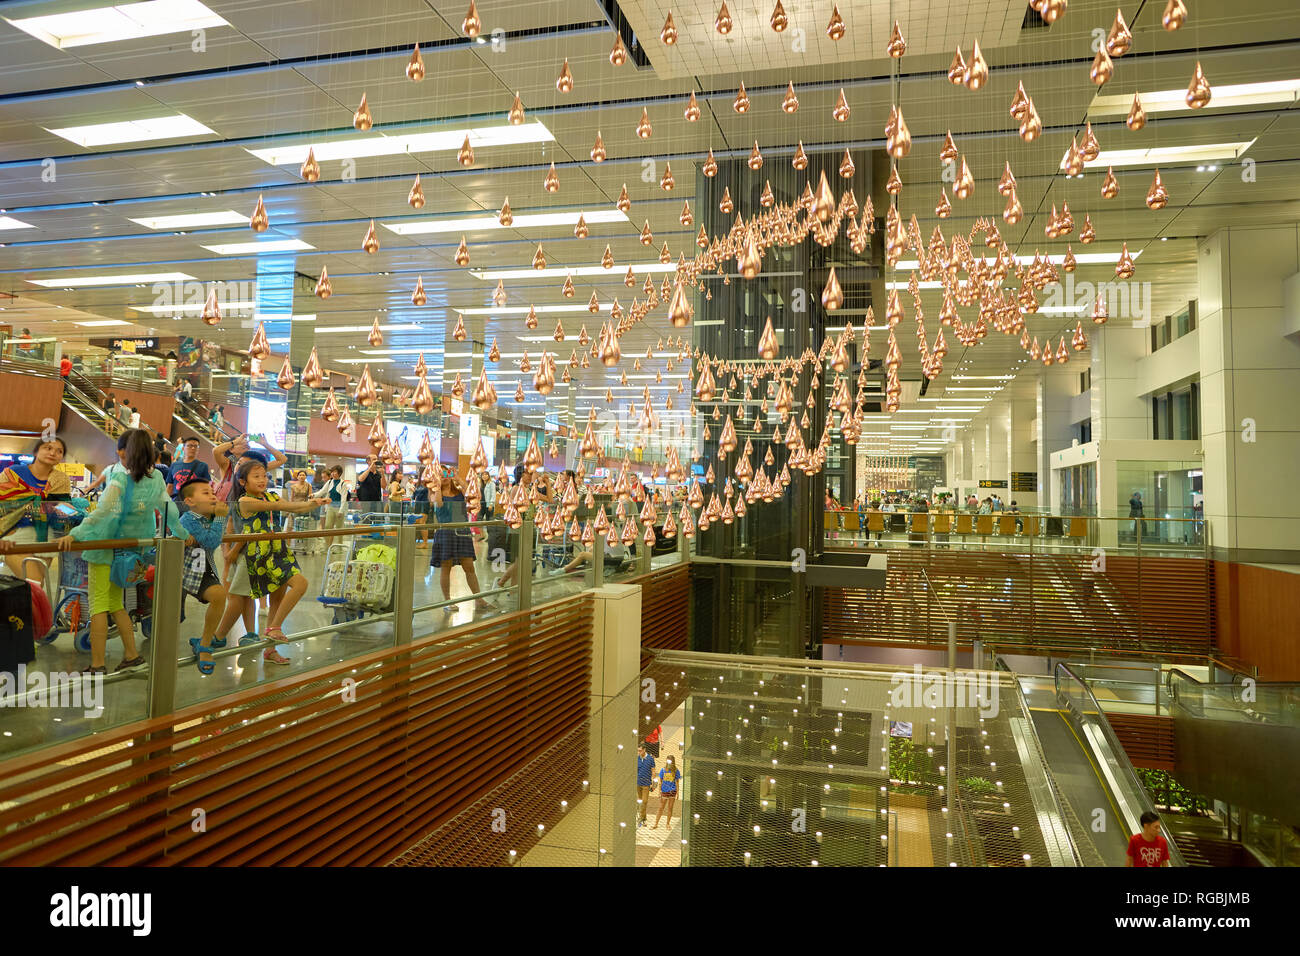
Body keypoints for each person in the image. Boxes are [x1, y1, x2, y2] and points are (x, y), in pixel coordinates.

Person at [56, 429, 190, 674]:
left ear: (123, 452)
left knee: (98, 605)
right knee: (116, 603)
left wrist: (74, 534)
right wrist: (181, 534)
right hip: (131, 552)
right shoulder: (157, 479)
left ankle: (97, 665)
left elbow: (102, 514)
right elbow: (169, 510)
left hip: (105, 548)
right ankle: (131, 654)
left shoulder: (118, 479)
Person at [234, 457, 322, 654]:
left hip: (279, 550)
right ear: (243, 482)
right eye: (256, 476)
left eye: (264, 476)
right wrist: (303, 505)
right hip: (262, 554)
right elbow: (283, 507)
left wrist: (315, 503)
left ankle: (270, 650)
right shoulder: (245, 501)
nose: (262, 479)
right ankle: (275, 628)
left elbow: (294, 507)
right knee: (301, 584)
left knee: (276, 601)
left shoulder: (272, 496)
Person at [178, 479, 245, 675]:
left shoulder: (211, 517)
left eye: (212, 492)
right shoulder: (188, 520)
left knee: (219, 596)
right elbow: (211, 541)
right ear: (190, 501)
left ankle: (205, 643)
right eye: (206, 493)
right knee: (174, 617)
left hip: (204, 571)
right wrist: (220, 518)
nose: (213, 496)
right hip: (184, 573)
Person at [0, 437, 72, 598]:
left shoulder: (60, 479)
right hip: (14, 536)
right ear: (36, 450)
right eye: (48, 448)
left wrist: (68, 510)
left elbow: (62, 509)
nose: (53, 453)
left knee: (33, 588)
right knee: (34, 584)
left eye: (59, 451)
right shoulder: (14, 473)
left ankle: (21, 620)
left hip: (46, 537)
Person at [430, 470, 491, 614]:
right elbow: (438, 504)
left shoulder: (459, 492)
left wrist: (458, 477)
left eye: (446, 474)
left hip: (462, 531)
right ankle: (448, 601)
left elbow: (472, 495)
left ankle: (478, 599)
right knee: (446, 567)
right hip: (445, 531)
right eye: (440, 475)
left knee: (469, 566)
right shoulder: (434, 493)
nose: (444, 477)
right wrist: (437, 486)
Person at [166, 436, 211, 504]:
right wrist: (166, 504)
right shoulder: (174, 465)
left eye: (196, 446)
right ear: (183, 448)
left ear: (198, 449)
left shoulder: (203, 466)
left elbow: (207, 487)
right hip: (176, 502)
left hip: (194, 504)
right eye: (189, 446)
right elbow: (170, 486)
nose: (193, 448)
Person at [651, 755, 681, 829]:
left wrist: (678, 793)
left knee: (670, 808)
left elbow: (677, 782)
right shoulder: (663, 770)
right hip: (664, 791)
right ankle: (656, 823)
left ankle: (668, 823)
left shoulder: (676, 771)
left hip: (672, 792)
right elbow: (660, 781)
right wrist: (659, 792)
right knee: (661, 807)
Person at [318, 465, 349, 533]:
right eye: (332, 472)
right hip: (330, 507)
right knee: (328, 527)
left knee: (339, 529)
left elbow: (343, 498)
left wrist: (341, 511)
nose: (333, 473)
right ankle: (328, 543)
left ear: (339, 473)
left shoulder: (343, 484)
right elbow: (322, 491)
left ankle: (339, 543)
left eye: (335, 472)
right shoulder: (329, 482)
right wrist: (313, 495)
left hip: (339, 508)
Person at [635, 743, 655, 828]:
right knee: (640, 802)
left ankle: (641, 818)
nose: (639, 752)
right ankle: (643, 818)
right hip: (638, 783)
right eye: (638, 750)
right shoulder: (637, 758)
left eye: (640, 750)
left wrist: (653, 783)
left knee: (644, 801)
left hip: (646, 784)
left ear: (644, 750)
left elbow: (653, 771)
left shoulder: (650, 759)